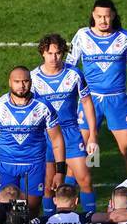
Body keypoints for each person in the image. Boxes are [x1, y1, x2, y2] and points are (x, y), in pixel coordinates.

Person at [67, 0, 127, 174]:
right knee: (81, 151)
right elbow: (70, 68)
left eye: (106, 17)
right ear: (93, 15)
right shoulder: (82, 36)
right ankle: (80, 190)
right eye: (99, 16)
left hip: (117, 100)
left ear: (113, 16)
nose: (103, 20)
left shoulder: (125, 37)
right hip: (89, 101)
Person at [0, 66, 65, 209]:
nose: (21, 86)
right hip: (5, 166)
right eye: (17, 81)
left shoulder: (43, 106)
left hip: (34, 166)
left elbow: (57, 139)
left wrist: (60, 171)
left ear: (31, 82)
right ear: (10, 82)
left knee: (30, 214)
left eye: (25, 81)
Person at [31, 33, 99, 213]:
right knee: (48, 185)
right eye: (50, 53)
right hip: (46, 136)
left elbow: (87, 103)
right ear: (42, 53)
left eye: (58, 53)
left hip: (70, 132)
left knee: (85, 179)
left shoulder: (74, 74)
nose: (54, 57)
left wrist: (92, 135)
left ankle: (90, 223)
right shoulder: (33, 78)